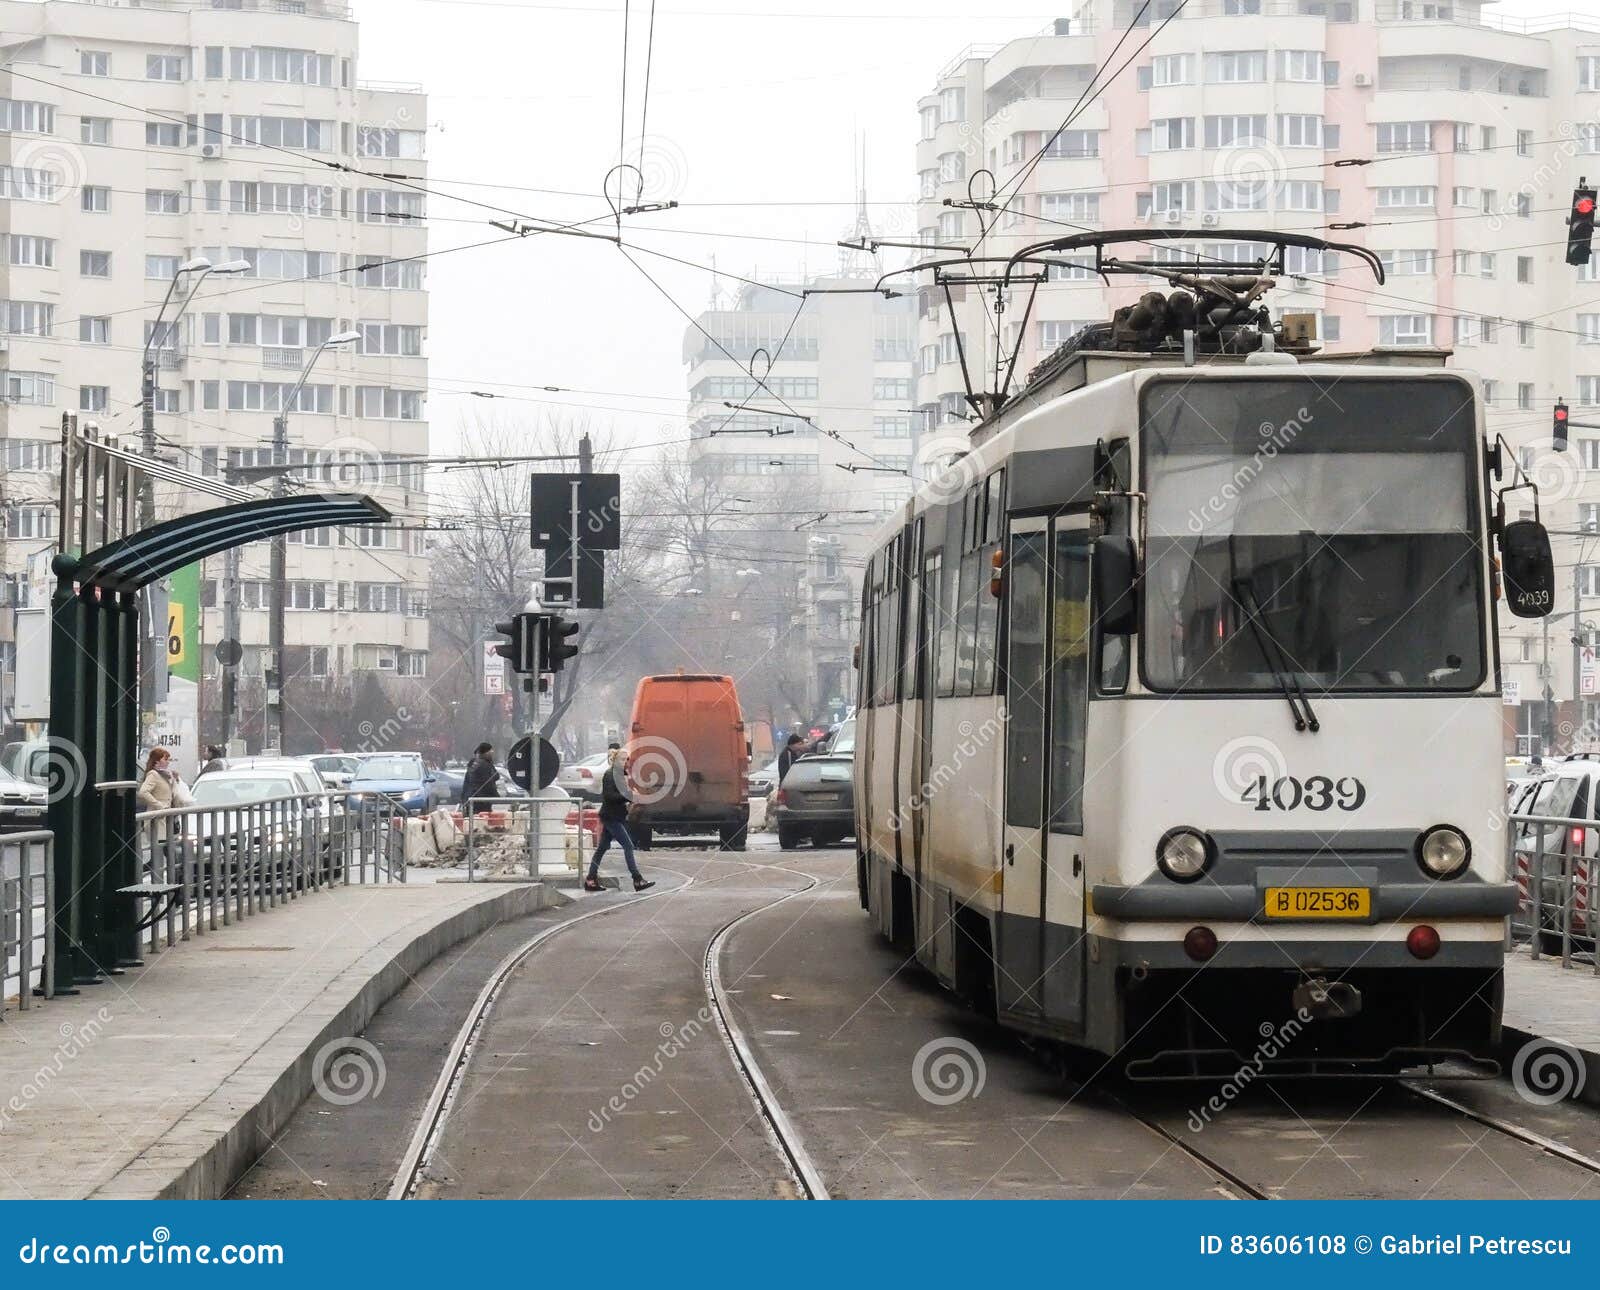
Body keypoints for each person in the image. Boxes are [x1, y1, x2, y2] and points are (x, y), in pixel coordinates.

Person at [585, 746, 654, 893]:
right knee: (628, 846)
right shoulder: (610, 775)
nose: (626, 762)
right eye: (622, 759)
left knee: (602, 848)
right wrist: (629, 796)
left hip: (614, 816)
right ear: (615, 760)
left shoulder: (619, 775)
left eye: (627, 759)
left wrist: (629, 797)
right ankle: (637, 879)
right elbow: (609, 796)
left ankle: (591, 879)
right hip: (611, 817)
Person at [460, 742, 500, 814]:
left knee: (472, 817)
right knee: (482, 818)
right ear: (486, 752)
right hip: (481, 799)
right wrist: (495, 795)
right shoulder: (485, 765)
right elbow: (490, 781)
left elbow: (467, 782)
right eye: (491, 750)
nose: (493, 752)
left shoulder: (473, 763)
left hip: (470, 798)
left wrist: (463, 798)